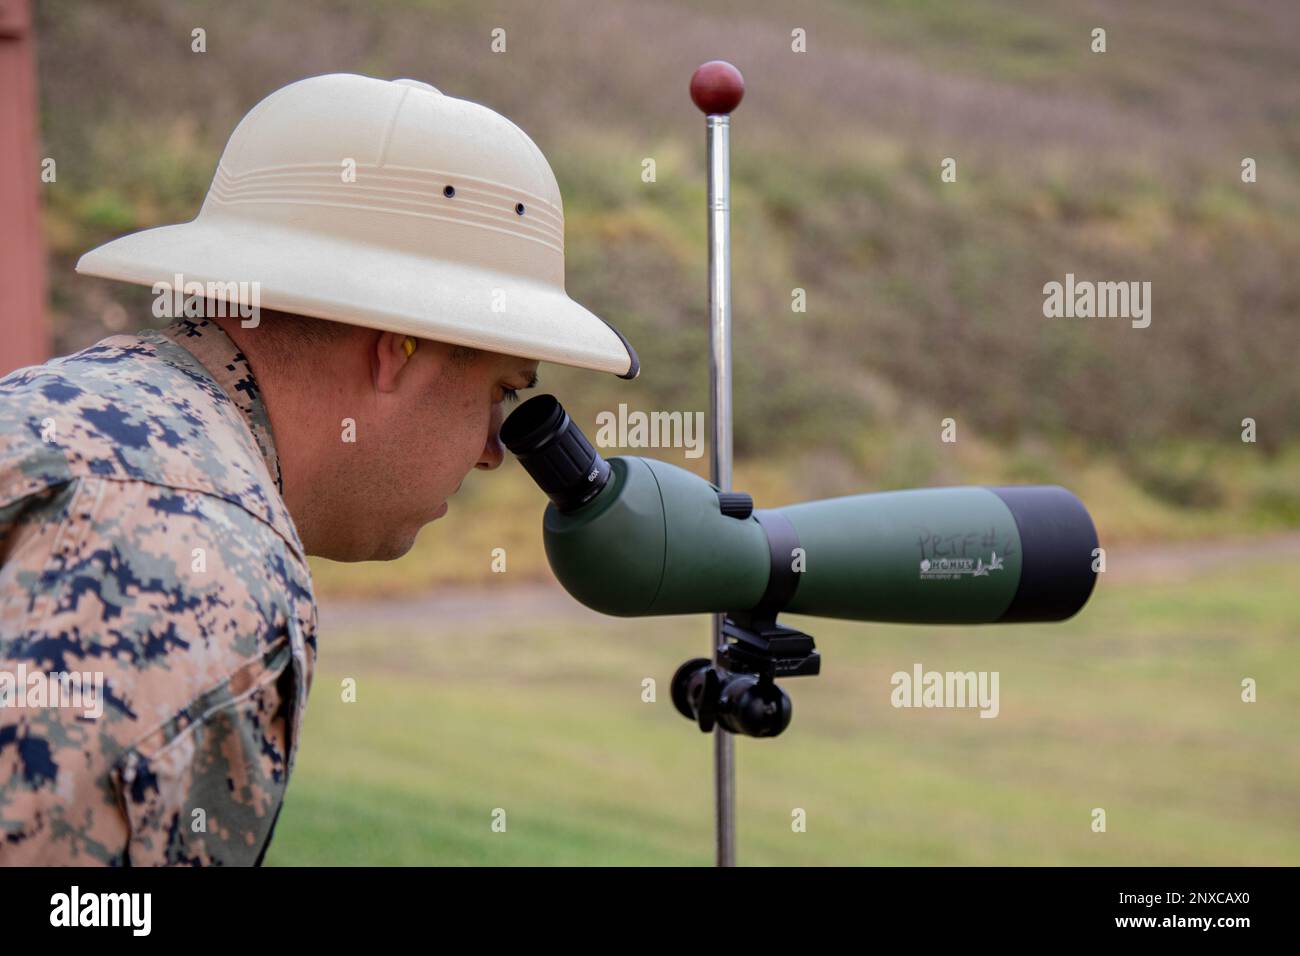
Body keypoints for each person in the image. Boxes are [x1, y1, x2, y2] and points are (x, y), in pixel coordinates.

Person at [0, 73, 638, 865]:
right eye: (499, 392)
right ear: (396, 350)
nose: (491, 450)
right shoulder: (204, 551)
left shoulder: (62, 406)